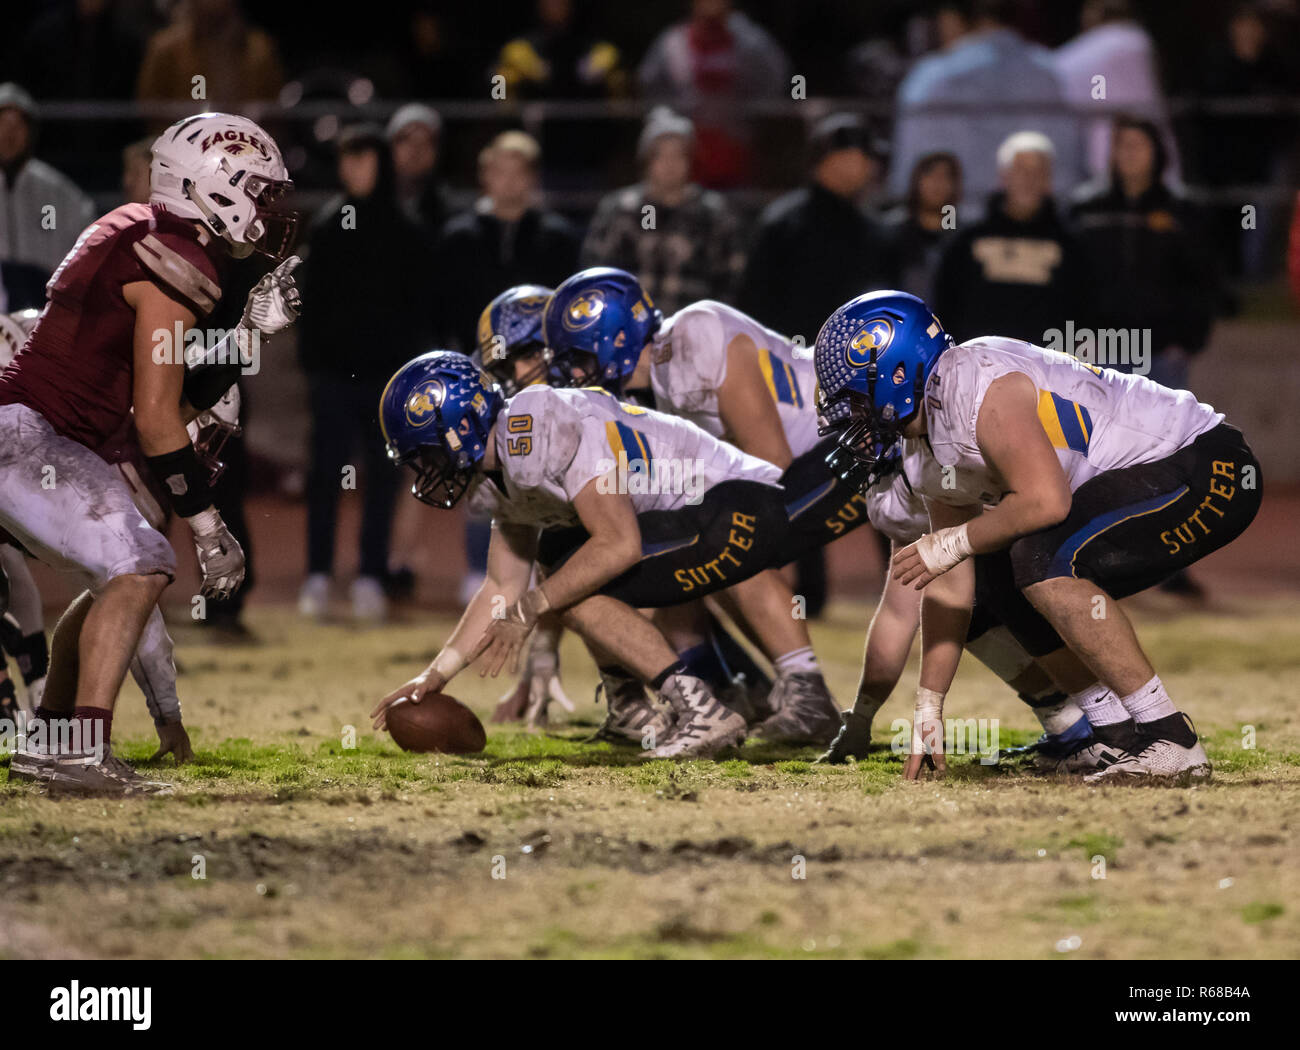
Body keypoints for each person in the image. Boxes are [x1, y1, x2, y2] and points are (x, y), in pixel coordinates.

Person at [814, 291, 1262, 784]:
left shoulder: (972, 383)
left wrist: (952, 541)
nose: (849, 416)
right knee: (1001, 578)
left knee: (1041, 556)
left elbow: (1047, 502)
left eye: (856, 397)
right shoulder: (923, 451)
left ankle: (1172, 738)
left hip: (1205, 464)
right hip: (1167, 475)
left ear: (898, 372)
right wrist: (928, 707)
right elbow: (952, 589)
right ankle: (1114, 738)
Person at [0, 112, 302, 795]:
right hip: (28, 434)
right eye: (255, 187)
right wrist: (209, 528)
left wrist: (245, 339)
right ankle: (80, 754)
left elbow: (153, 390)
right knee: (142, 561)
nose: (265, 206)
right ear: (214, 185)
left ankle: (52, 739)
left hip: (30, 431)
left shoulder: (139, 227)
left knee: (119, 573)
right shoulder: (179, 256)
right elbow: (161, 421)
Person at [370, 352, 806, 758]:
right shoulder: (495, 476)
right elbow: (501, 586)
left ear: (459, 426)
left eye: (425, 453)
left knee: (569, 583)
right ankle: (630, 710)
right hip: (697, 515)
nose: (424, 470)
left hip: (739, 505)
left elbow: (618, 545)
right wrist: (436, 674)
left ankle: (702, 710)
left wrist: (532, 607)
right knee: (561, 564)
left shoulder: (536, 427)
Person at [541, 268, 844, 743]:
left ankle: (807, 694)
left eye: (579, 358)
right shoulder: (653, 387)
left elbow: (772, 456)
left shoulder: (695, 338)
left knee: (731, 529)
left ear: (616, 337)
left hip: (842, 447)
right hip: (810, 458)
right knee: (706, 539)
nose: (575, 374)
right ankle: (741, 686)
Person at [297, 124, 437, 623]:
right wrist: (313, 366)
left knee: (381, 481)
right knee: (324, 478)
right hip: (334, 378)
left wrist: (407, 374)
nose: (353, 168)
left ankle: (371, 577)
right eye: (347, 159)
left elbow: (420, 310)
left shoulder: (406, 230)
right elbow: (309, 306)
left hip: (386, 381)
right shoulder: (327, 225)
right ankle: (317, 574)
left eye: (363, 158)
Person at [1069, 116, 1217, 391]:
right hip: (1099, 348)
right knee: (1100, 432)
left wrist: (1187, 341)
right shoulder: (1087, 209)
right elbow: (1072, 279)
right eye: (1123, 145)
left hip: (1161, 351)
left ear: (1157, 152)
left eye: (1139, 145)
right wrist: (1076, 335)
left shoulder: (1182, 210)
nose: (1130, 153)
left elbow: (1202, 278)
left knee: (1160, 432)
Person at [890, 0, 1082, 209]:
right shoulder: (1056, 74)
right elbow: (1069, 178)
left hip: (951, 227)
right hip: (1039, 231)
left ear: (950, 18)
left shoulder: (931, 80)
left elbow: (907, 179)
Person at [738, 113, 892, 345]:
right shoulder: (785, 222)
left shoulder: (871, 228)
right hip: (788, 364)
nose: (872, 167)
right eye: (865, 157)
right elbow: (753, 304)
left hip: (853, 365)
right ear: (835, 160)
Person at [580, 108, 743, 316]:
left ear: (690, 160)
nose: (670, 164)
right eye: (660, 156)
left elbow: (730, 281)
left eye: (678, 155)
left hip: (695, 330)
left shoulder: (714, 213)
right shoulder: (619, 209)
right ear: (646, 160)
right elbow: (595, 273)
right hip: (627, 328)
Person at [931, 131, 1088, 346]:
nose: (1028, 179)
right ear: (1003, 176)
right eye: (1020, 170)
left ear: (1048, 180)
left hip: (1049, 371)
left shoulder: (1072, 247)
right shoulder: (965, 242)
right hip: (976, 367)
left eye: (1038, 172)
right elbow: (944, 307)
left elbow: (1085, 313)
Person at [436, 131, 580, 354]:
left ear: (533, 177)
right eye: (500, 171)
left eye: (519, 172)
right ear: (484, 175)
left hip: (539, 360)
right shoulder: (458, 237)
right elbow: (444, 308)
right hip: (471, 357)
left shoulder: (558, 237)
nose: (509, 181)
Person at [638, 0, 791, 189]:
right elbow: (651, 86)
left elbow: (775, 77)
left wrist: (752, 111)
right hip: (687, 143)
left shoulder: (751, 41)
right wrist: (668, 125)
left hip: (735, 142)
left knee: (736, 202)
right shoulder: (673, 41)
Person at [1054, 0, 1177, 181]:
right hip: (1151, 152)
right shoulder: (1140, 42)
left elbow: (1055, 71)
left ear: (1092, 14)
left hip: (1105, 154)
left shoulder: (1129, 42)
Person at [0, 83, 96, 304]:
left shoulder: (59, 192)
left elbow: (88, 250)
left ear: (31, 132)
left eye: (17, 125)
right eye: (2, 124)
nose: (9, 134)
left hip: (46, 305)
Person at [136, 0, 284, 113]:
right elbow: (149, 106)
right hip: (181, 141)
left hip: (246, 141)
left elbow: (275, 105)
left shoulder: (259, 47)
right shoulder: (166, 47)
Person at [882, 152, 962, 304]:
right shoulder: (892, 232)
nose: (937, 183)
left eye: (946, 176)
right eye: (930, 173)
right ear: (916, 179)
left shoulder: (959, 237)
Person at [387, 103, 450, 237]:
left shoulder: (449, 214)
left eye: (426, 142)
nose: (415, 150)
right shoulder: (359, 208)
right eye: (406, 140)